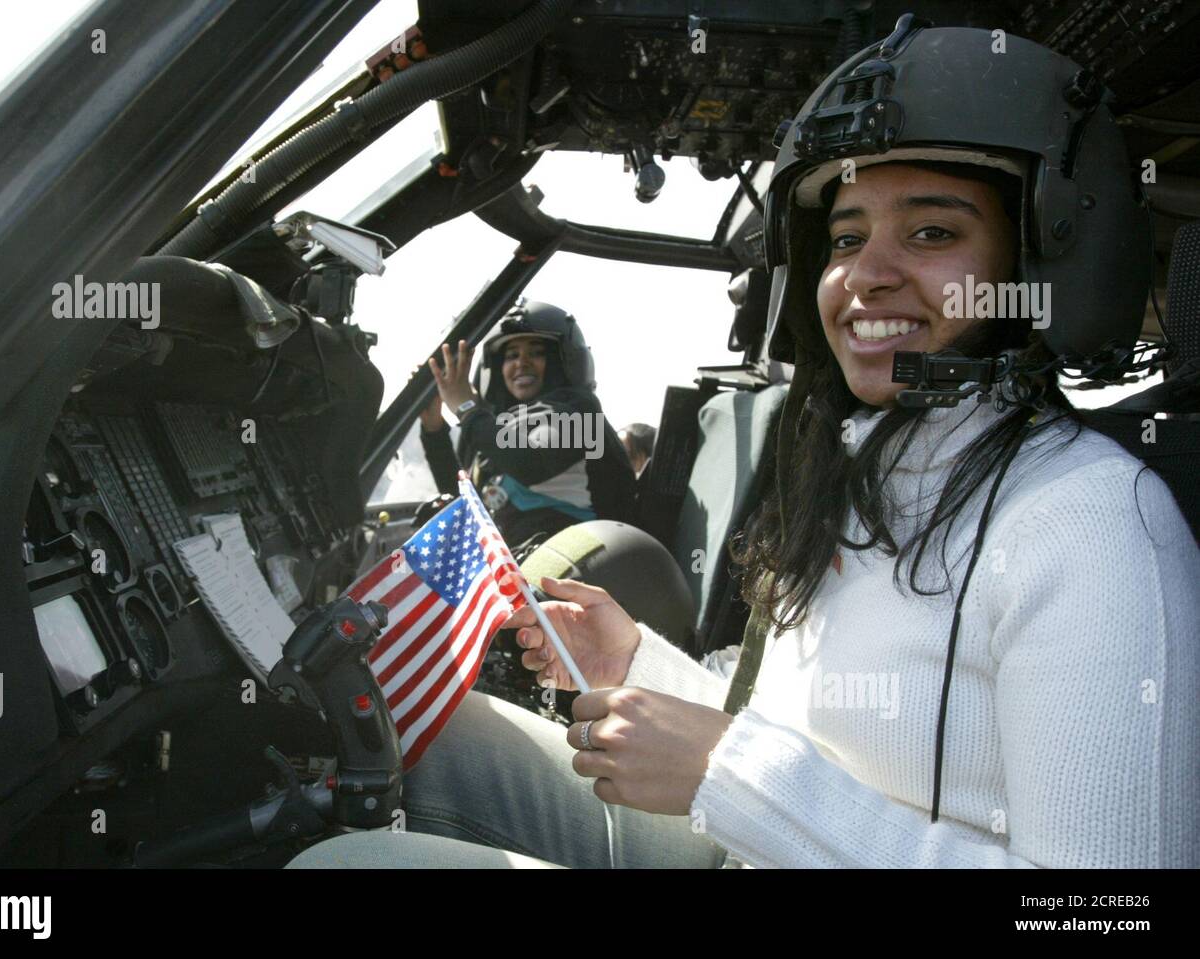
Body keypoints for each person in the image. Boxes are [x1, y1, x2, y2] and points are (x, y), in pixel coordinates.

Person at [290, 22, 1199, 869]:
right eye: (846, 236)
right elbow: (795, 734)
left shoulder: (1092, 525)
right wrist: (632, 662)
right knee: (430, 735)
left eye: (932, 231)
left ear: (1039, 260)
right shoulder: (861, 471)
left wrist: (735, 774)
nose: (865, 275)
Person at [417, 299, 636, 546]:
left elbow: (532, 461)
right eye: (512, 355)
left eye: (537, 353)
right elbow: (465, 505)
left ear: (562, 360)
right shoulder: (492, 429)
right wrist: (434, 431)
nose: (521, 363)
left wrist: (467, 410)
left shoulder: (582, 412)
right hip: (510, 563)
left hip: (581, 560)